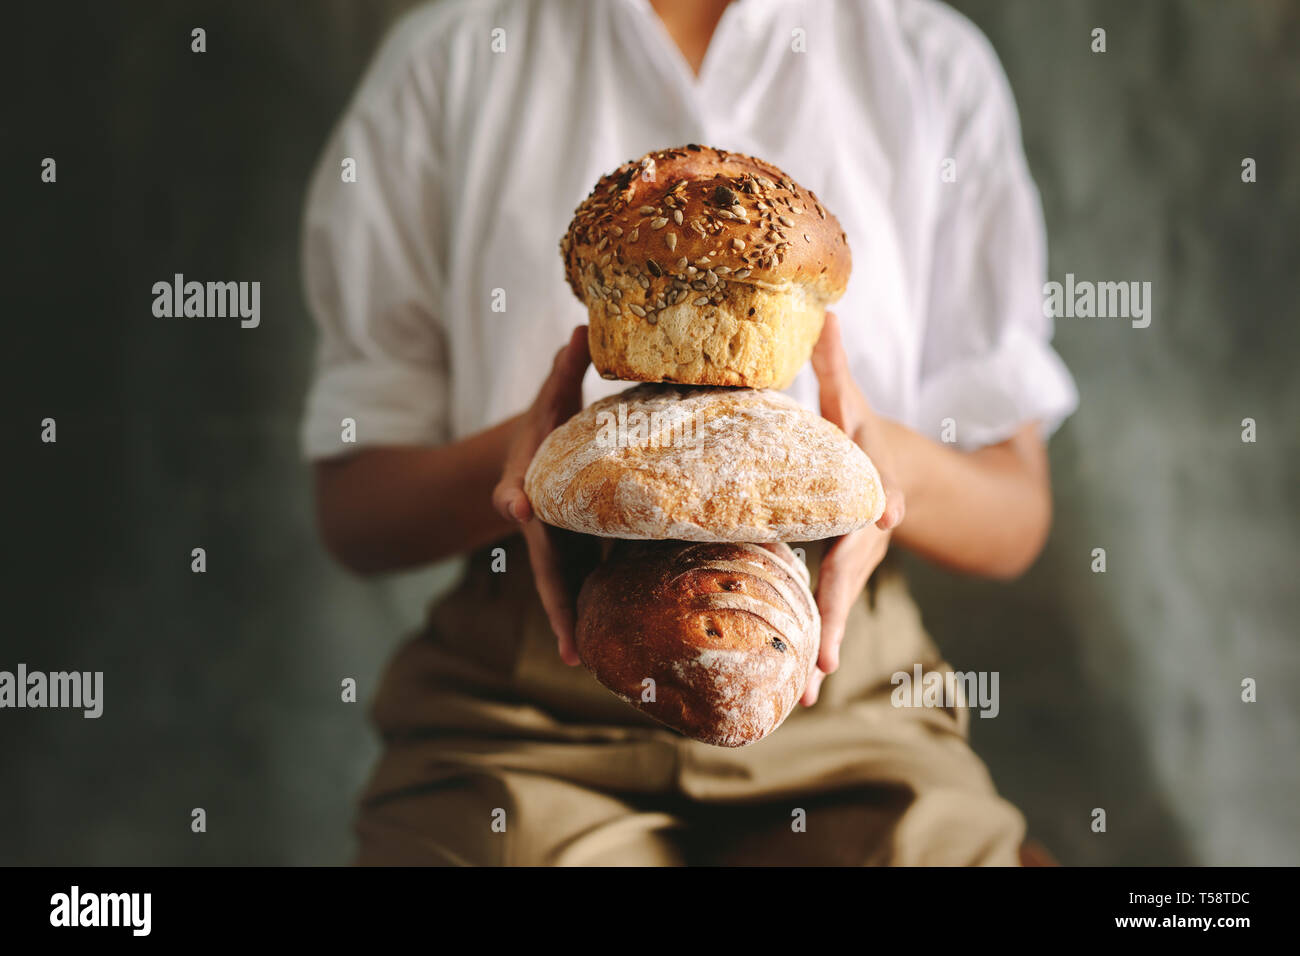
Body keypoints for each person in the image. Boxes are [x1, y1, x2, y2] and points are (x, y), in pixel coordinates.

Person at [300, 0, 1078, 865]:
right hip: (526, 706)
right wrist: (536, 457)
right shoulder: (450, 56)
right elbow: (355, 507)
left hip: (843, 687)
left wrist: (883, 466)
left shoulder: (928, 59)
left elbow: (1017, 511)